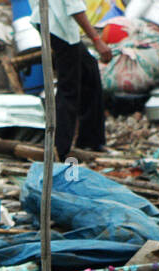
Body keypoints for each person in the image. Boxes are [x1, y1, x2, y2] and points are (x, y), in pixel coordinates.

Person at [29, 0, 111, 160]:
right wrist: (97, 40)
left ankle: (90, 140)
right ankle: (60, 148)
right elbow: (74, 8)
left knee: (89, 69)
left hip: (52, 23)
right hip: (59, 28)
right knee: (69, 88)